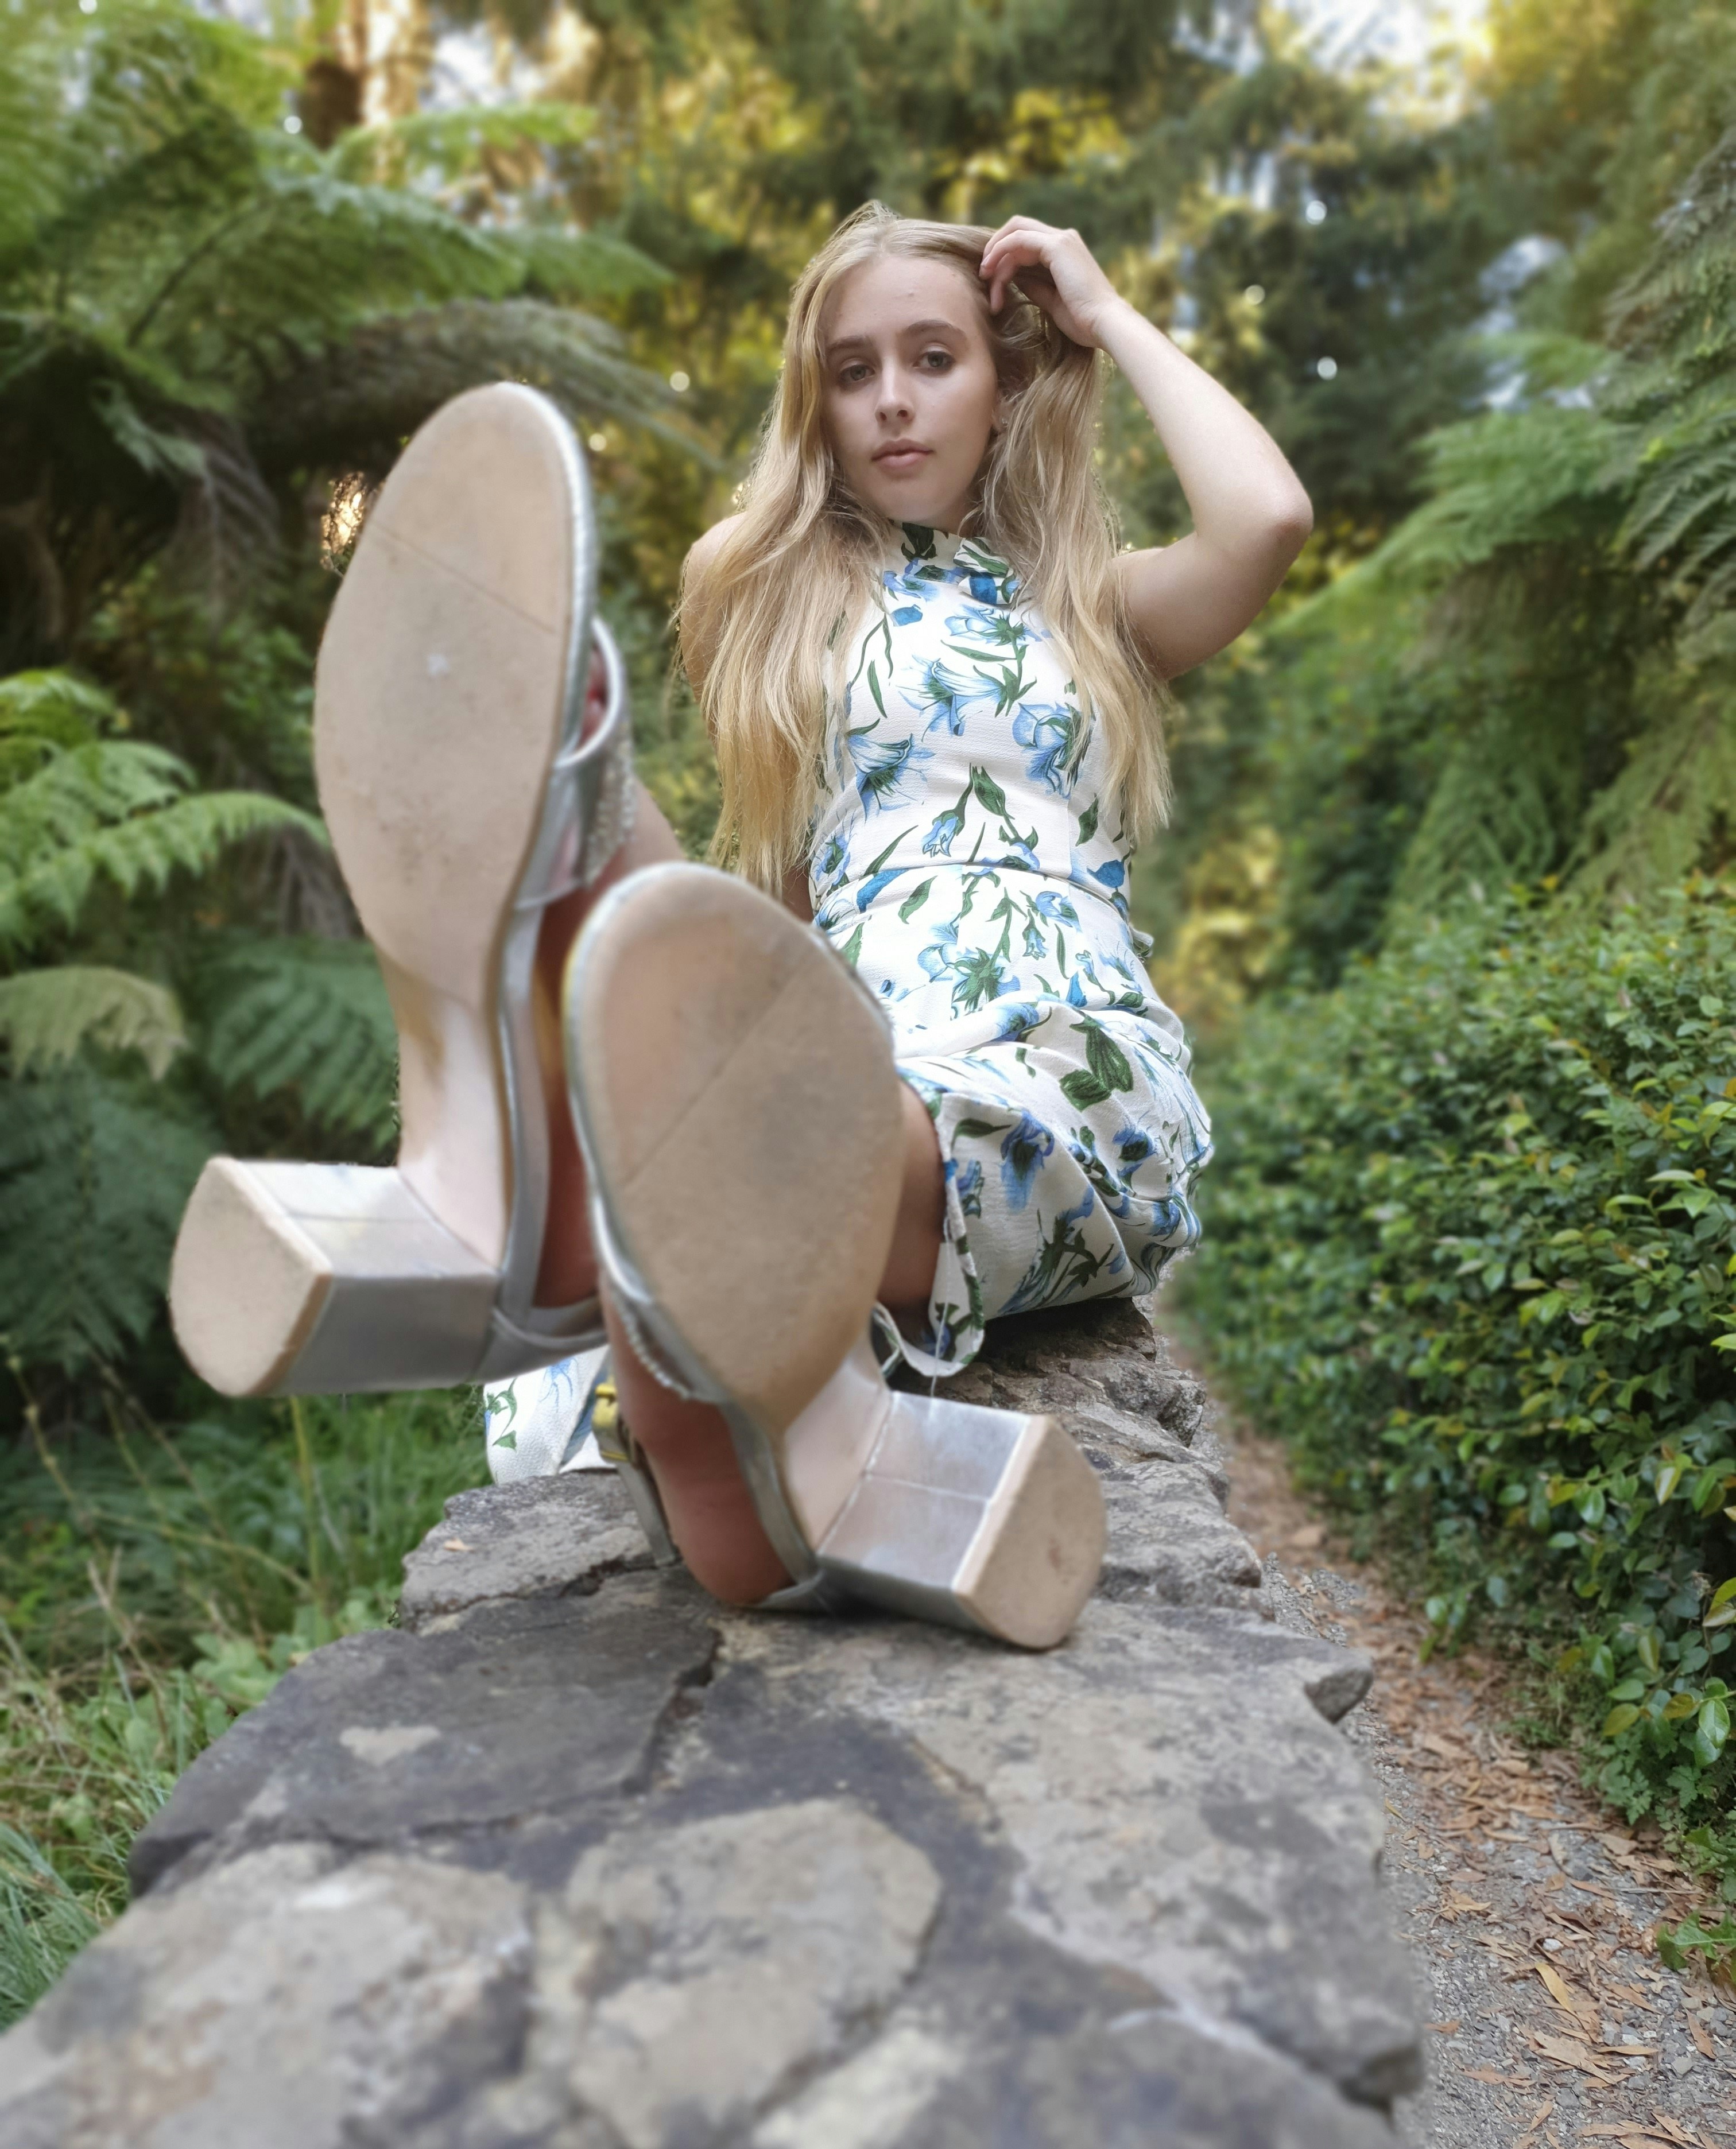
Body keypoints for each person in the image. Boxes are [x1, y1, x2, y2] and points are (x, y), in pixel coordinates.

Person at [167, 204, 1309, 1648]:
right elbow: (768, 898)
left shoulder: (1091, 611)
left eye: (936, 356)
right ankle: (549, 878)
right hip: (860, 1034)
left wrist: (1104, 307)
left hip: (1059, 1066)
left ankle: (565, 1173)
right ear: (814, 405)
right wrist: (706, 1002)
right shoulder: (771, 605)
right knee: (705, 993)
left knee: (810, 1142)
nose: (891, 396)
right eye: (851, 369)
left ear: (1009, 378)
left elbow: (1265, 520)